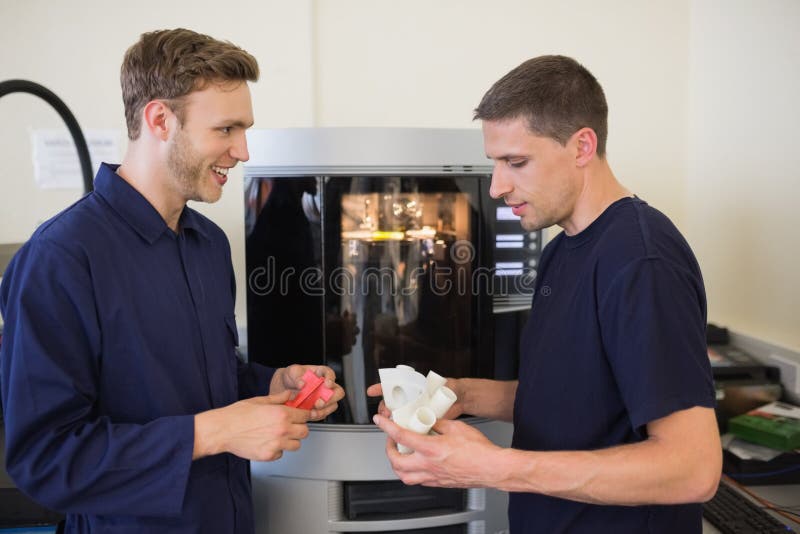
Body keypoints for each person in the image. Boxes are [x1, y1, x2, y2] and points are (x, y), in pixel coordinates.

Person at [0, 28, 343, 533]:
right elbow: (47, 459)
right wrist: (212, 432)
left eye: (244, 130)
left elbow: (203, 377)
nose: (243, 151)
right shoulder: (60, 258)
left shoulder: (208, 243)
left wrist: (271, 381)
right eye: (226, 130)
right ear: (160, 119)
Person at [370, 55, 721, 533]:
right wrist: (458, 394)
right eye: (495, 163)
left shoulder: (642, 262)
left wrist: (493, 467)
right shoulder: (561, 250)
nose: (497, 187)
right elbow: (574, 399)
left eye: (517, 162)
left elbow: (692, 468)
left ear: (582, 145)